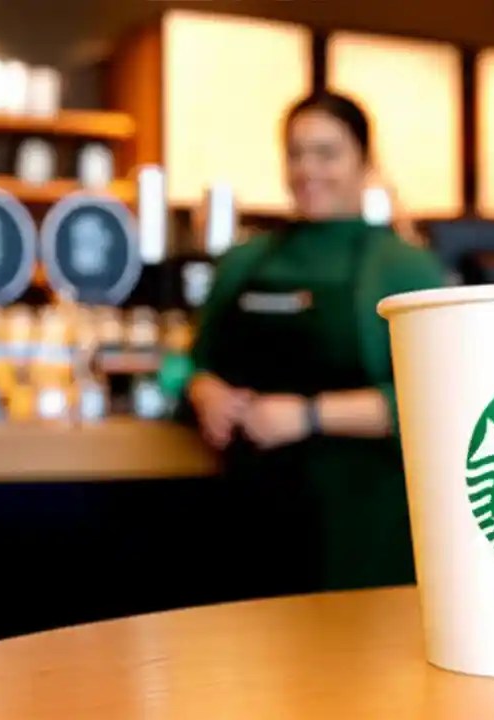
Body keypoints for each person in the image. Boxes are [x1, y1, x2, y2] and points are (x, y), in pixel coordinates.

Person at [185, 92, 446, 596]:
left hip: (362, 521)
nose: (307, 170)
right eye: (296, 154)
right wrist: (204, 391)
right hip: (250, 515)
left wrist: (307, 416)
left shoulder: (405, 266)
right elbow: (190, 362)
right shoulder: (243, 261)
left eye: (327, 154)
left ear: (365, 163)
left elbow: (436, 400)